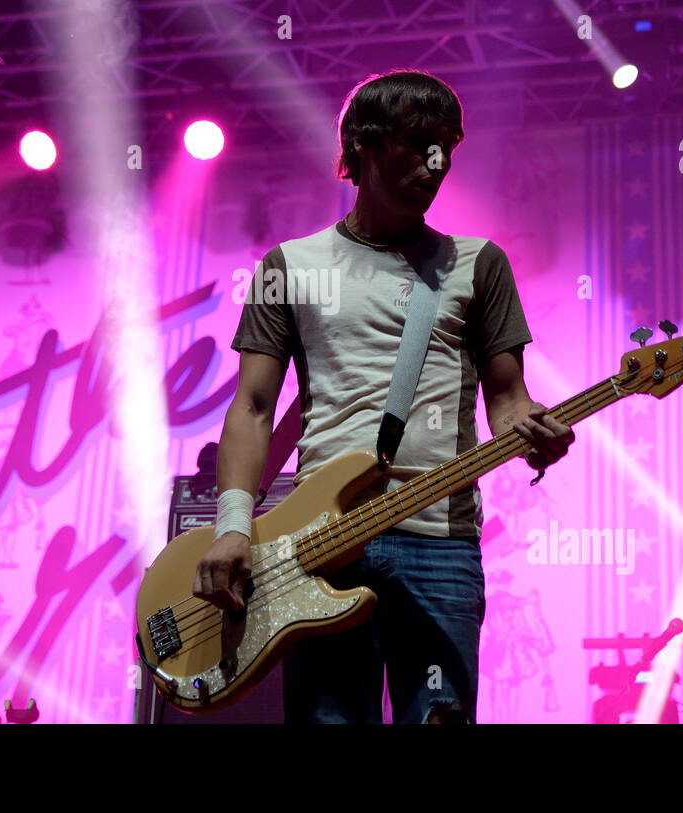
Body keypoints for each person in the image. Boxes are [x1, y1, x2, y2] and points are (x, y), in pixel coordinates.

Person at [192, 69, 575, 723]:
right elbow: (253, 408)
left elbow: (509, 401)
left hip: (441, 543)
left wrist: (535, 426)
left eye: (448, 147)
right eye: (419, 141)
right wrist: (232, 527)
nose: (438, 161)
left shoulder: (479, 264)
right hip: (322, 543)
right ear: (364, 145)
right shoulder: (290, 266)